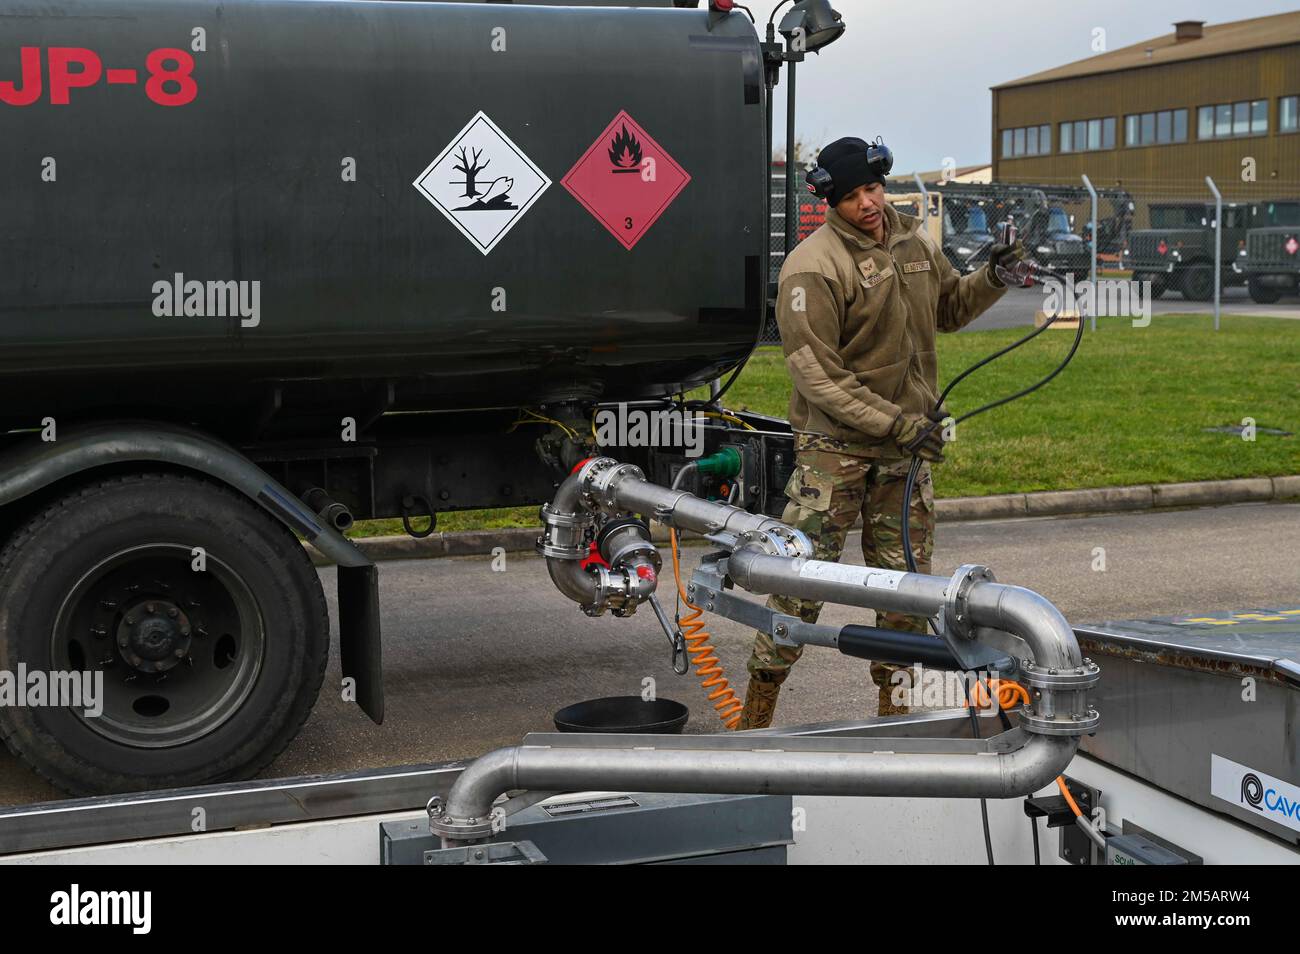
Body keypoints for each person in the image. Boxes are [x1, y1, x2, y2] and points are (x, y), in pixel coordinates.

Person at [737, 136, 1026, 730]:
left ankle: (894, 722)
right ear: (830, 201)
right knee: (799, 584)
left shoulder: (912, 241)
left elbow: (948, 308)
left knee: (905, 593)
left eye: (873, 188)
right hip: (835, 452)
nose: (869, 203)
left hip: (905, 452)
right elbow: (818, 376)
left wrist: (993, 274)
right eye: (853, 196)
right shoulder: (812, 266)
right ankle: (754, 717)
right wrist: (897, 422)